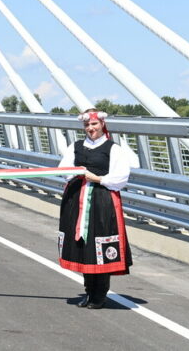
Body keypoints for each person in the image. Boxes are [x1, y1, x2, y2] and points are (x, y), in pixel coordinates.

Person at [57, 109, 132, 309]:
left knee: (99, 244)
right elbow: (64, 169)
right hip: (76, 201)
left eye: (94, 125)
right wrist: (75, 173)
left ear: (102, 125)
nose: (91, 128)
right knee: (84, 248)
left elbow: (121, 177)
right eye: (87, 125)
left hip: (101, 201)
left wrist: (97, 178)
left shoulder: (113, 149)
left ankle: (100, 295)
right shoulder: (76, 146)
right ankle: (89, 292)